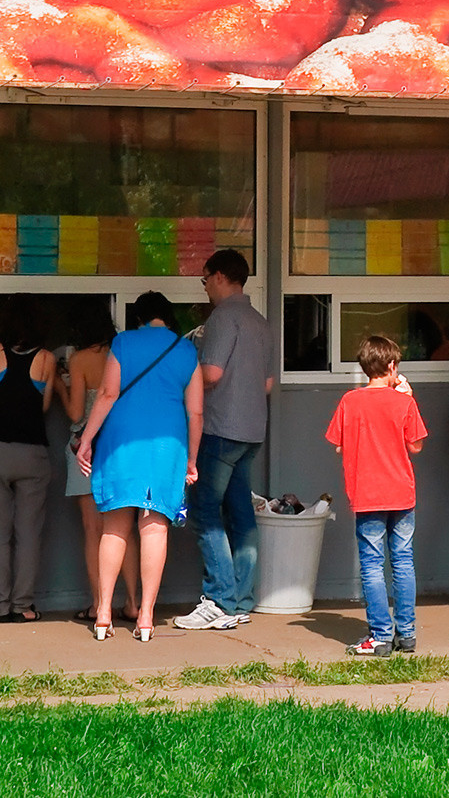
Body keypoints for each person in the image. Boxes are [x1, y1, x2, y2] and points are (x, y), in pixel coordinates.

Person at [77, 292, 203, 643]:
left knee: (114, 528)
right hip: (168, 446)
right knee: (154, 528)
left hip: (122, 443)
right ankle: (146, 617)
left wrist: (87, 438)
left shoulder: (124, 342)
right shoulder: (185, 350)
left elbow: (106, 394)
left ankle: (103, 615)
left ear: (140, 317)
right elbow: (195, 412)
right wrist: (191, 458)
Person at [173, 248, 277, 632]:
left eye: (204, 279)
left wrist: (184, 372)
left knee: (203, 512)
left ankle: (219, 598)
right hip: (253, 430)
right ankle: (241, 599)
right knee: (241, 514)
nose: (204, 288)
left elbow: (212, 373)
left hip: (220, 428)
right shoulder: (260, 322)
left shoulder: (222, 318)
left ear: (219, 277)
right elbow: (267, 384)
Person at [328, 333, 428, 657]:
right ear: (392, 365)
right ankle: (407, 634)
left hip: (367, 493)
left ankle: (381, 636)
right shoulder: (404, 401)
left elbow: (339, 444)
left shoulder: (349, 401)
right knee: (403, 561)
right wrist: (408, 397)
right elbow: (416, 445)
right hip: (402, 493)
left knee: (372, 564)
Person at [0, 298, 57, 623]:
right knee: (29, 533)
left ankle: (0, 607)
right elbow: (43, 408)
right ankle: (23, 606)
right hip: (32, 454)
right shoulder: (46, 358)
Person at [60, 307, 137, 624]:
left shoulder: (79, 361)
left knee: (94, 530)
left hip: (87, 450)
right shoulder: (124, 354)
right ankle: (133, 601)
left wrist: (60, 387)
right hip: (121, 447)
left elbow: (77, 412)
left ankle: (98, 604)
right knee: (124, 529)